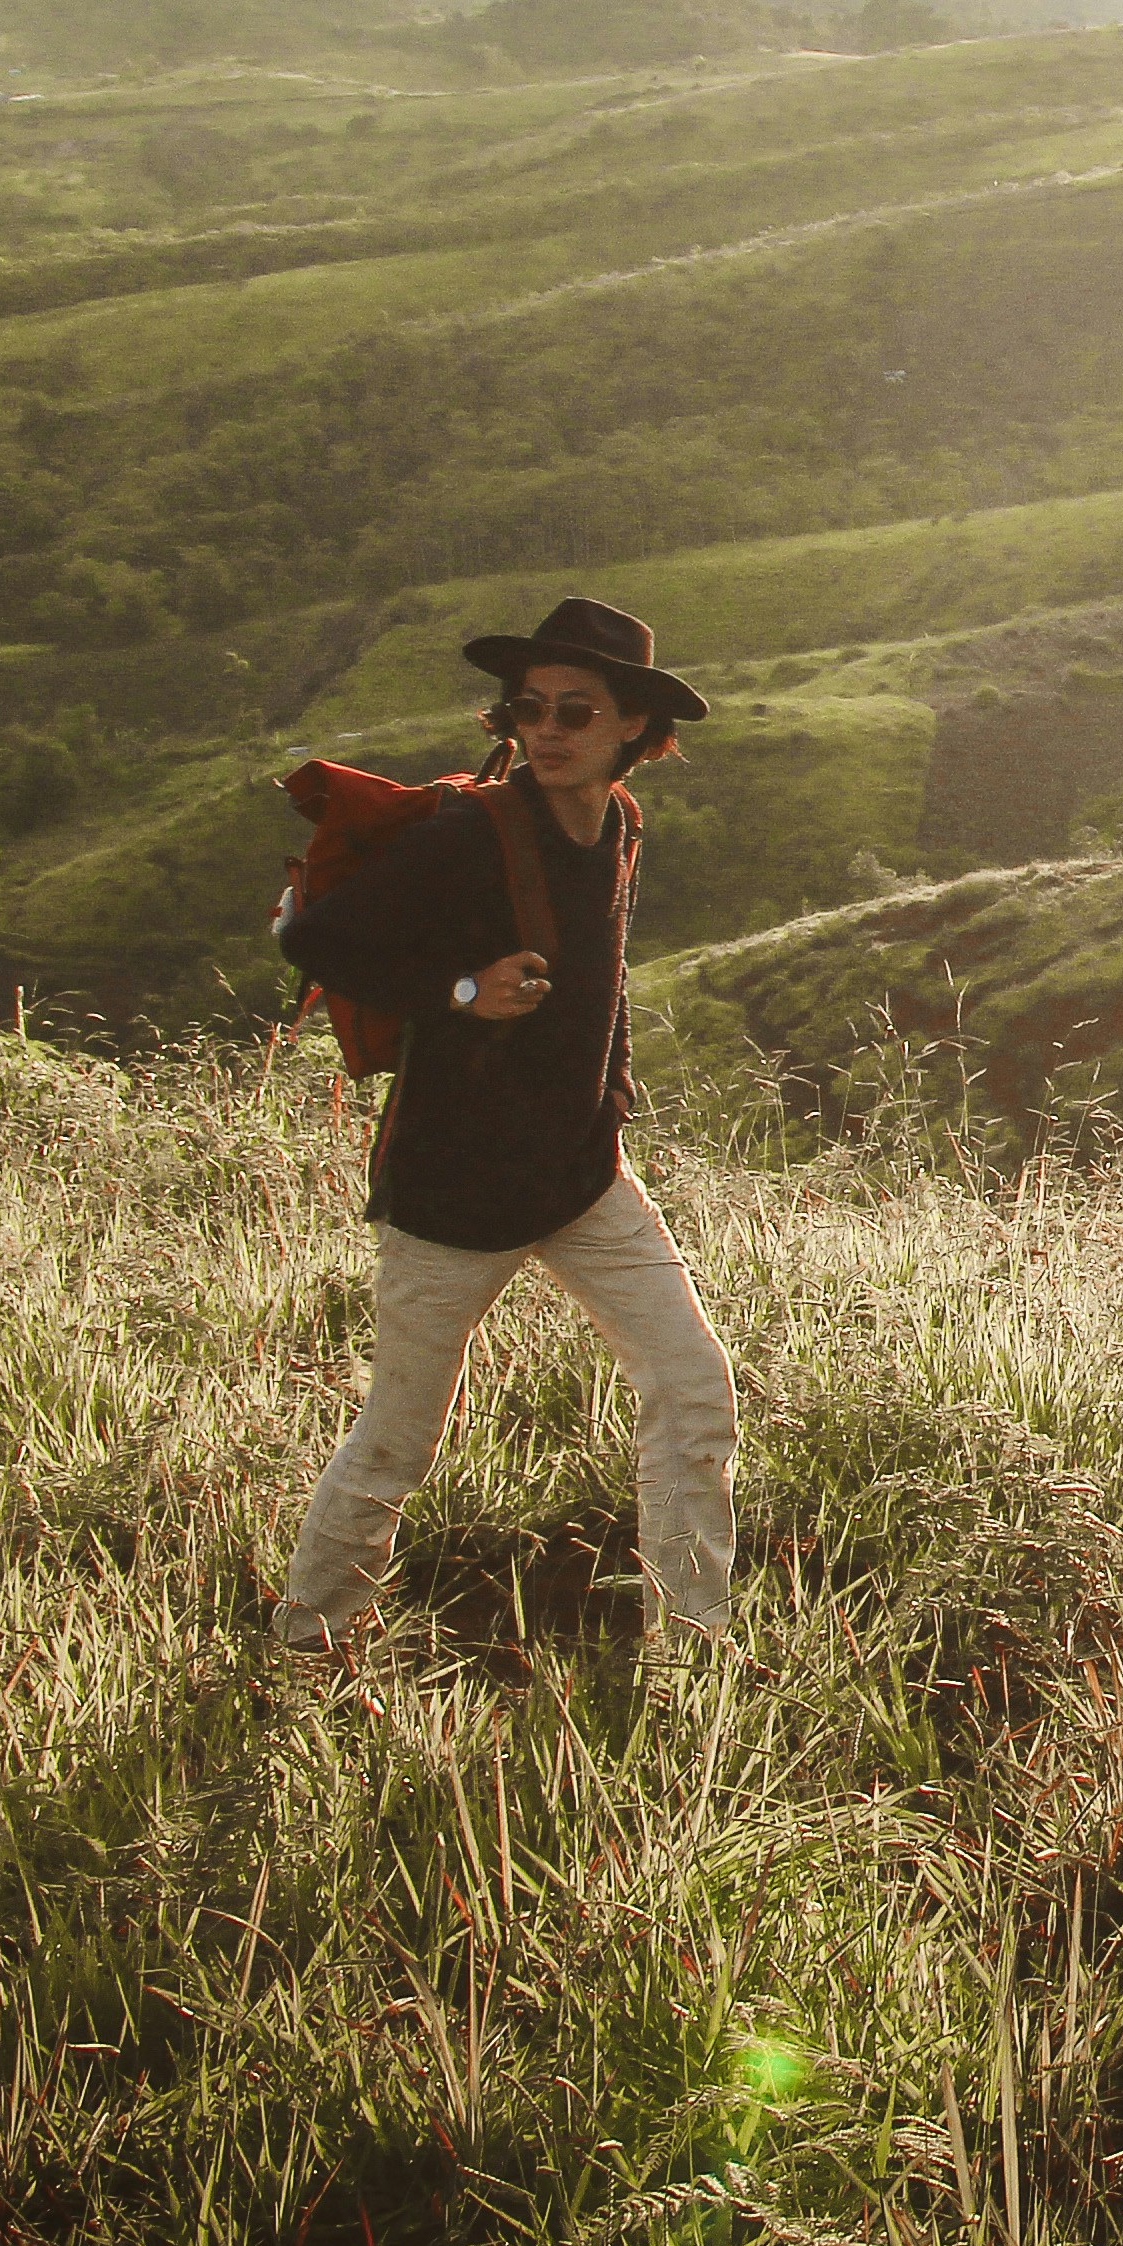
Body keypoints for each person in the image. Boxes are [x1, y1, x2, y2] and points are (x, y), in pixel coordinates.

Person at [267, 596, 736, 1657]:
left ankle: (695, 1650)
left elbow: (602, 991)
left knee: (694, 1393)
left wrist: (606, 1113)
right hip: (451, 1192)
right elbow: (323, 940)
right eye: (531, 709)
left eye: (578, 709)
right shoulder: (468, 835)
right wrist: (463, 993)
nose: (550, 729)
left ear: (633, 732)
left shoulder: (618, 824)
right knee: (399, 1441)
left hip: (580, 1180)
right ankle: (305, 1649)